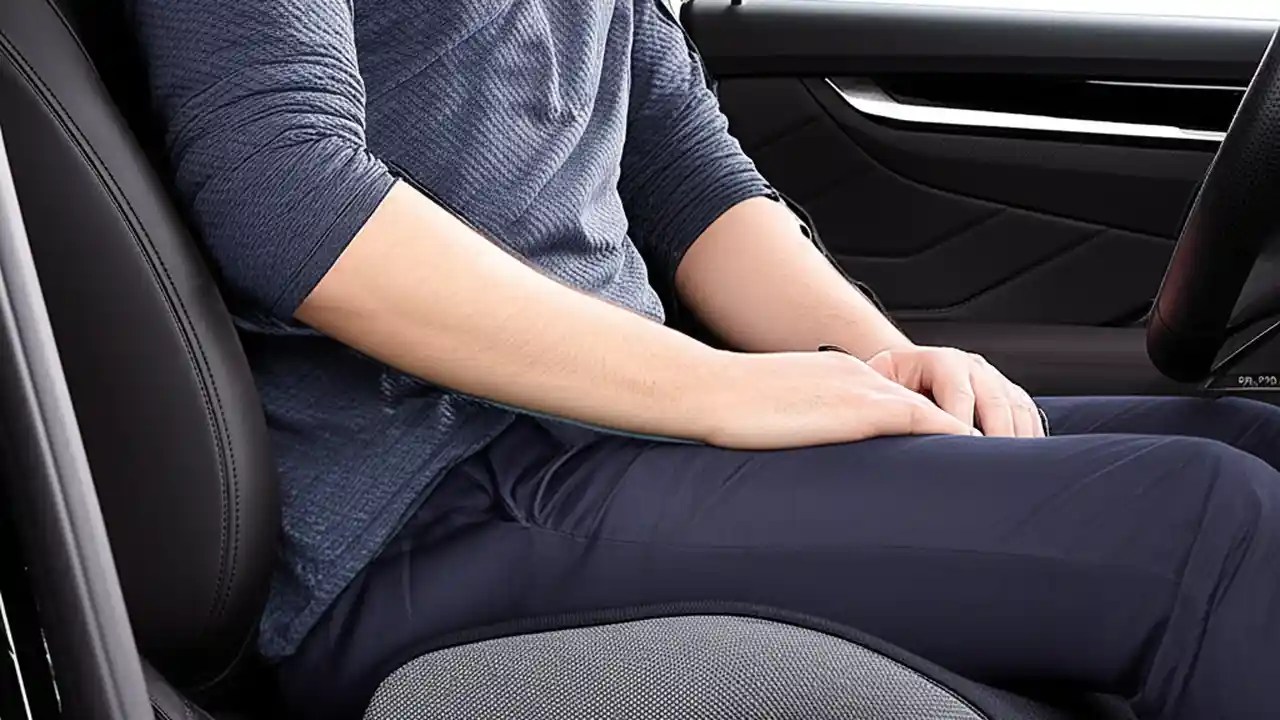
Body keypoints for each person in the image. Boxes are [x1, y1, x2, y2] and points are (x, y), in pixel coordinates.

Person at [127, 1, 1279, 718]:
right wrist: (721, 390)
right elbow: (286, 192)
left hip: (601, 441)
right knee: (1207, 529)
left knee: (1244, 440)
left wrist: (883, 360)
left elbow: (687, 173)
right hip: (424, 504)